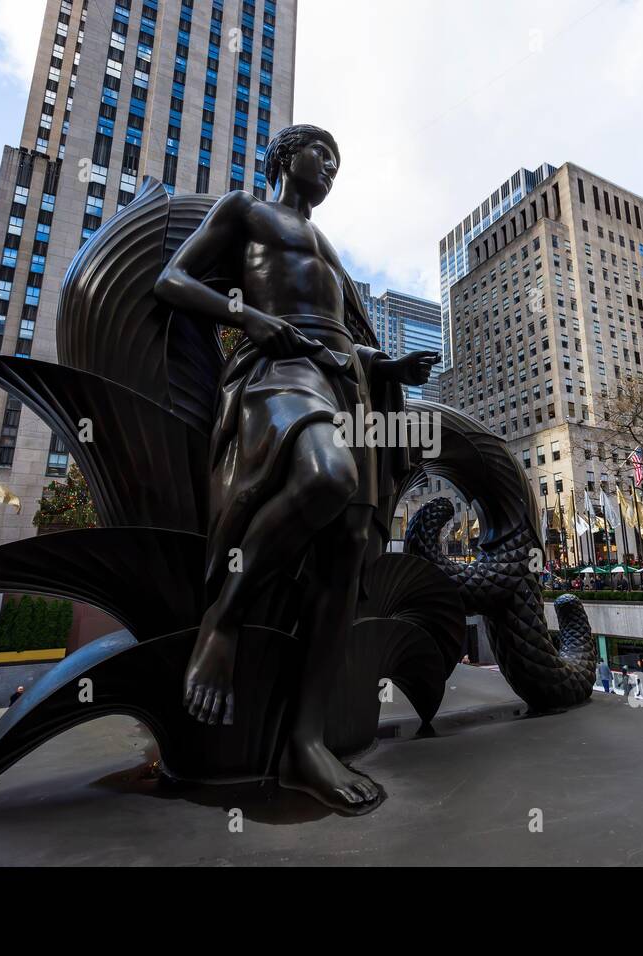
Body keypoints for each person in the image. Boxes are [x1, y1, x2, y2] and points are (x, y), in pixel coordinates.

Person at [155, 124, 440, 810]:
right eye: (322, 154)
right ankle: (222, 624)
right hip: (279, 373)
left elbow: (342, 340)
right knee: (324, 477)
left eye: (340, 160)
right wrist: (247, 316)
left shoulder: (331, 250)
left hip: (344, 385)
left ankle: (305, 743)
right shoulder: (244, 212)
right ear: (285, 157)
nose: (333, 168)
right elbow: (171, 279)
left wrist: (388, 365)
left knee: (347, 550)